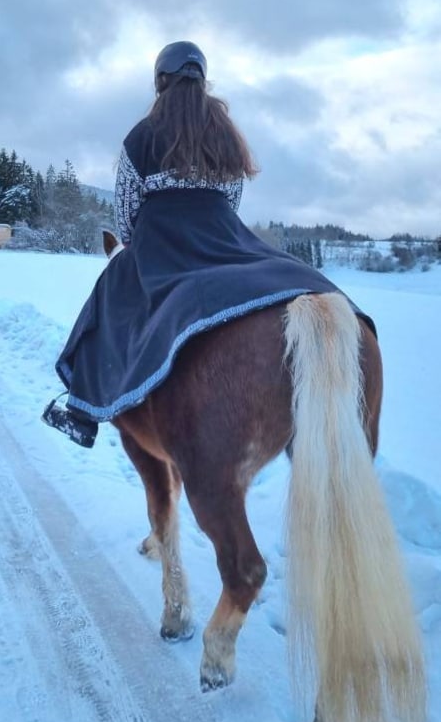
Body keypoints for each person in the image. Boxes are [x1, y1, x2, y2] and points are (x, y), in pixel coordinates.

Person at [42, 40, 373, 448]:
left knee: (110, 294)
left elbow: (127, 208)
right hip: (222, 235)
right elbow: (232, 199)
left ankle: (82, 411)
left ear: (161, 82)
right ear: (203, 80)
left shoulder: (142, 136)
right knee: (278, 271)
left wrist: (136, 245)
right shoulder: (226, 136)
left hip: (161, 243)